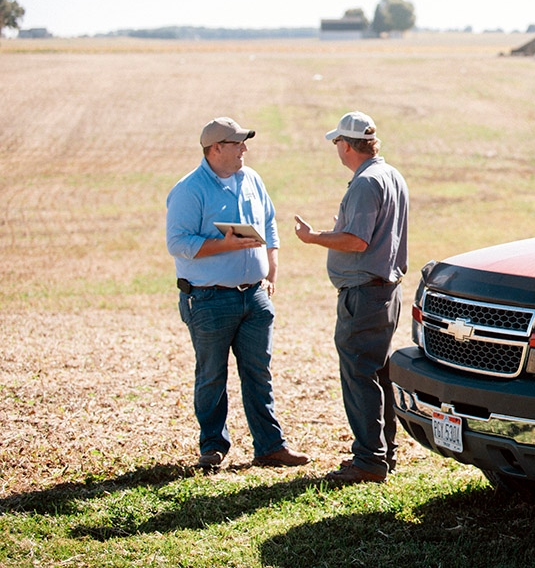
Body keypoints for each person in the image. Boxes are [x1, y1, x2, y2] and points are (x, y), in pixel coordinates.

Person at [166, 117, 310, 471]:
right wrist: (224, 245)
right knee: (212, 375)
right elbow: (178, 243)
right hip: (208, 299)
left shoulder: (252, 179)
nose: (244, 149)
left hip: (255, 297)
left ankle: (270, 447)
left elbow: (269, 223)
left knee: (259, 373)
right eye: (237, 144)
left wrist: (271, 268)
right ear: (216, 149)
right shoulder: (189, 189)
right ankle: (213, 447)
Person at [295, 111, 409, 484]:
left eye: (336, 143)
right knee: (377, 372)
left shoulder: (364, 184)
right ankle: (383, 453)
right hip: (386, 291)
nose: (336, 149)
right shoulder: (390, 174)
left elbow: (356, 241)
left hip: (363, 294)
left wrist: (316, 237)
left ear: (346, 145)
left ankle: (369, 461)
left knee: (359, 375)